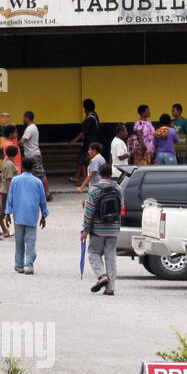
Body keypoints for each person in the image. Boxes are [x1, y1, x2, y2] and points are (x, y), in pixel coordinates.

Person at [81, 162, 122, 296]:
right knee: (110, 256)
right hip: (114, 228)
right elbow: (121, 207)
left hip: (98, 228)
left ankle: (102, 276)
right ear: (111, 174)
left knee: (93, 252)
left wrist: (85, 229)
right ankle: (110, 288)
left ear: (99, 173)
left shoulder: (94, 189)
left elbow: (89, 211)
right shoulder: (118, 188)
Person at [5, 156, 48, 274]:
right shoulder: (38, 182)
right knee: (30, 241)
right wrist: (44, 216)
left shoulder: (15, 180)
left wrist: (8, 213)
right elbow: (42, 200)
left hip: (18, 215)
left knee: (18, 242)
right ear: (33, 168)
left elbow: (10, 198)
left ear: (22, 167)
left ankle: (19, 265)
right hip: (32, 216)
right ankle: (28, 265)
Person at [0, 144, 20, 239]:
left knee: (4, 210)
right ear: (16, 154)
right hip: (7, 190)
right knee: (3, 211)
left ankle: (5, 230)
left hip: (4, 189)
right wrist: (11, 192)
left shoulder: (5, 162)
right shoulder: (10, 164)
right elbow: (8, 180)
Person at [20, 110, 51, 201]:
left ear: (27, 117)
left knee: (40, 174)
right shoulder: (34, 127)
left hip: (33, 155)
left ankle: (47, 193)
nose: (23, 119)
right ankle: (39, 193)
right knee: (35, 175)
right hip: (33, 154)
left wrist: (14, 142)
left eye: (23, 117)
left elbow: (22, 141)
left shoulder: (29, 128)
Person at [69, 98, 100, 183]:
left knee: (84, 161)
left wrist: (73, 141)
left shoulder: (90, 118)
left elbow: (83, 132)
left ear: (85, 108)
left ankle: (85, 180)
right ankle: (78, 177)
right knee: (82, 160)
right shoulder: (95, 116)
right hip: (92, 142)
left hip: (89, 143)